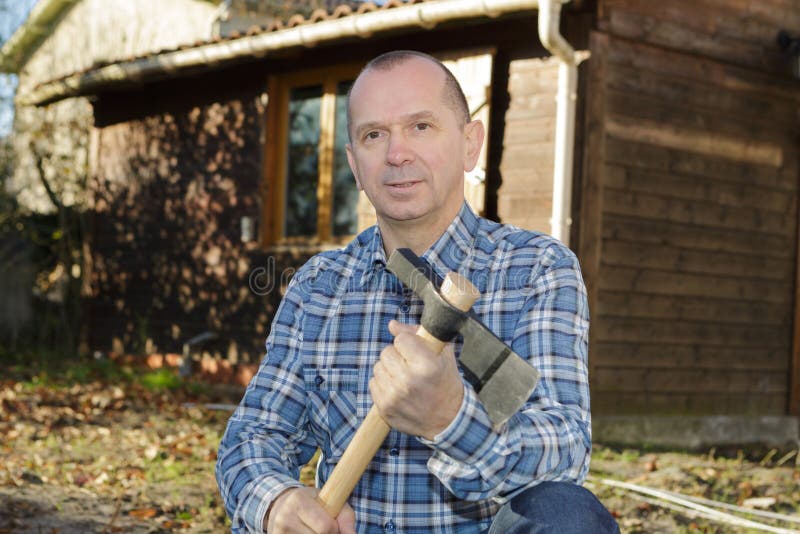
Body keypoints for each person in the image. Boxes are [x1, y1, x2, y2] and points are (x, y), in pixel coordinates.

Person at [216, 50, 619, 533]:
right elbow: (253, 435)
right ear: (354, 165)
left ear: (471, 144)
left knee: (566, 516)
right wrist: (276, 501)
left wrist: (450, 419)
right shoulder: (318, 287)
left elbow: (565, 449)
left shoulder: (538, 270)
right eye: (373, 135)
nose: (396, 153)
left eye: (421, 126)